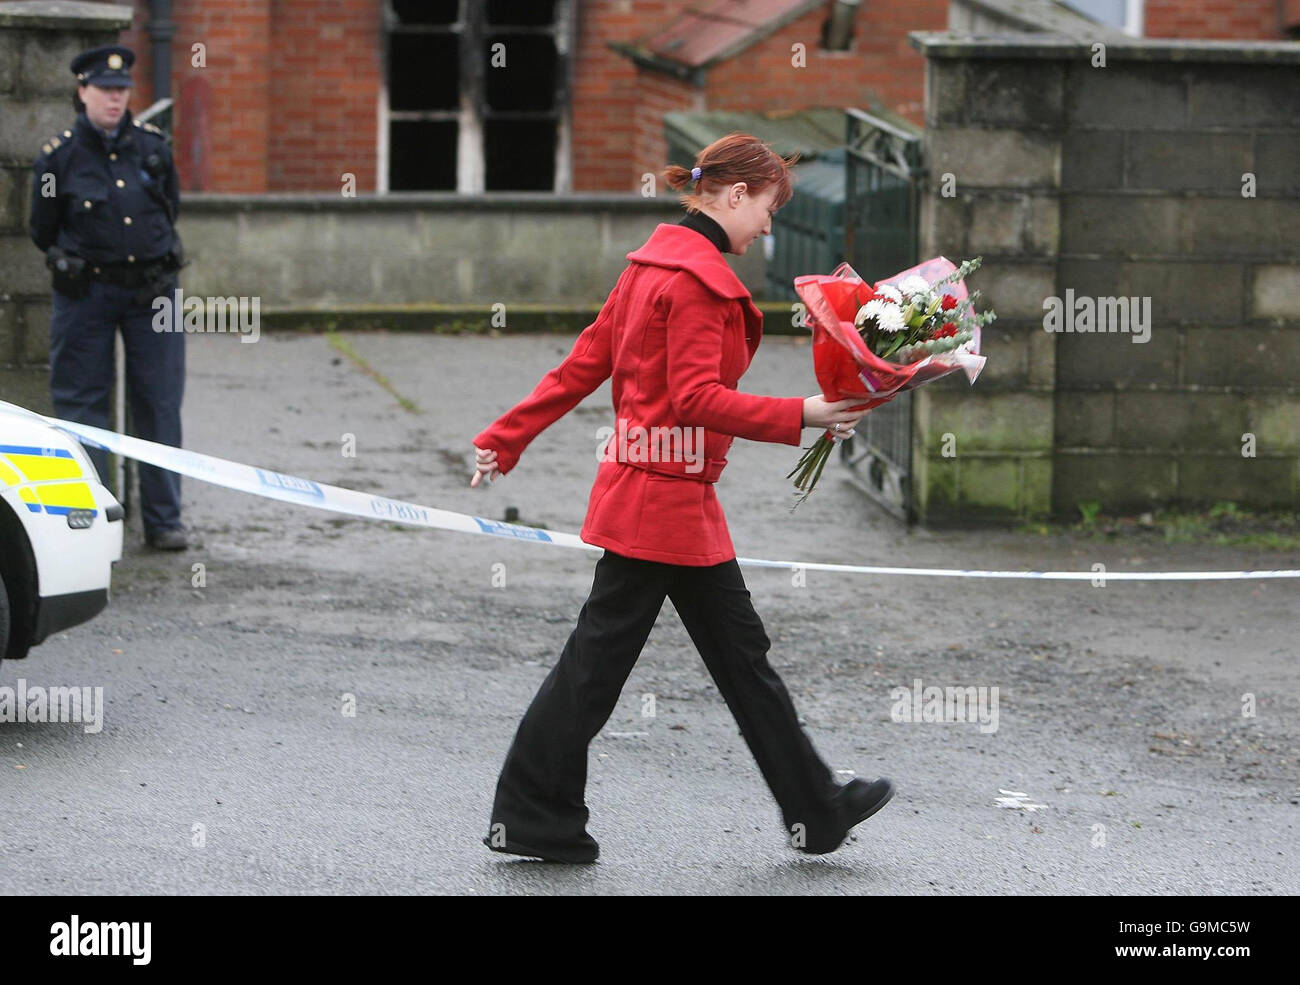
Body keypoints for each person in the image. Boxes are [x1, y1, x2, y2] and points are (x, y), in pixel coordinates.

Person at [469, 133, 894, 863]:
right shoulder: (696, 280)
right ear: (735, 195)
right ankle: (533, 813)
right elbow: (697, 398)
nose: (768, 227)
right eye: (767, 210)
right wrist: (805, 413)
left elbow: (583, 363)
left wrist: (505, 437)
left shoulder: (651, 266)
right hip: (662, 505)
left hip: (665, 497)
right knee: (602, 668)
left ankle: (816, 810)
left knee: (735, 659)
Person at [29, 44, 188, 551]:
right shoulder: (56, 159)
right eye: (104, 90)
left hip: (153, 292)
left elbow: (170, 207)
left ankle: (164, 521)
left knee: (159, 403)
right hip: (87, 294)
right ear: (82, 92)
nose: (115, 99)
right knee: (82, 408)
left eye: (121, 90)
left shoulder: (154, 148)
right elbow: (42, 227)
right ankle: (93, 521)